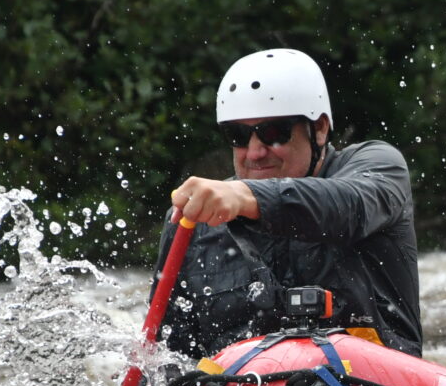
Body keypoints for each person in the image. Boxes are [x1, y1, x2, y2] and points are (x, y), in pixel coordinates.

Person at [155, 48, 421, 358]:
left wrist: (245, 196)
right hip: (244, 384)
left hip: (368, 379)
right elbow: (166, 359)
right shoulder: (195, 222)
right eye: (238, 135)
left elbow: (352, 206)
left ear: (319, 128)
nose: (255, 152)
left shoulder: (380, 167)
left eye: (273, 132)